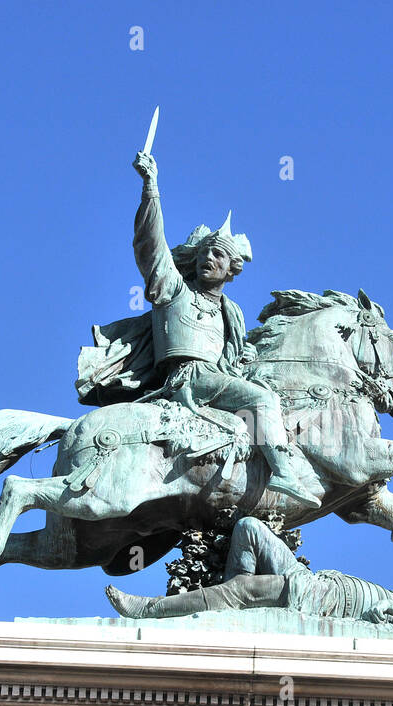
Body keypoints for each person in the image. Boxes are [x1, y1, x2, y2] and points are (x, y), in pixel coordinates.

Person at [75, 151, 320, 507]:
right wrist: (151, 190)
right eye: (205, 253)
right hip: (189, 378)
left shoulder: (231, 312)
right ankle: (282, 471)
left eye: (218, 255)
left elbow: (232, 359)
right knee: (262, 399)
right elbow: (150, 246)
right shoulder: (173, 289)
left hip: (217, 378)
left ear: (231, 269)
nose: (209, 259)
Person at [105, 516, 393, 631]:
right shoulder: (388, 595)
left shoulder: (387, 612)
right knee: (248, 527)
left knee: (242, 589)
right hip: (309, 578)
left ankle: (150, 610)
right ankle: (232, 597)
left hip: (311, 599)